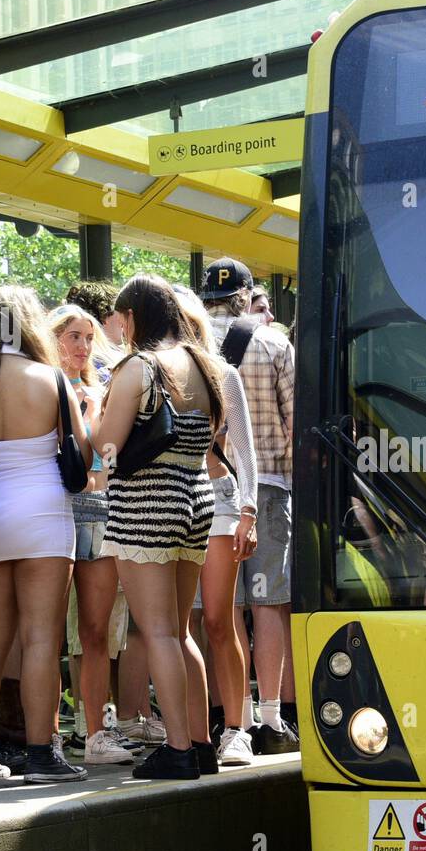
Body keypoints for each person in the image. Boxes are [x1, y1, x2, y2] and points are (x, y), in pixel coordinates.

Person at [92, 274, 225, 779]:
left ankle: (176, 750)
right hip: (197, 496)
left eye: (120, 321)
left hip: (147, 501)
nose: (118, 332)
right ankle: (201, 742)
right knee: (182, 629)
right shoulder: (202, 365)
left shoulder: (140, 368)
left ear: (133, 317)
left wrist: (89, 417)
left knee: (158, 631)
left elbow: (107, 448)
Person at [0, 286, 89, 784]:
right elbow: (83, 448)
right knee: (40, 639)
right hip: (42, 512)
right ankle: (40, 753)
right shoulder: (50, 378)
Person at [199, 258, 299, 754]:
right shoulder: (274, 342)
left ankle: (225, 717)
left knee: (221, 610)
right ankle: (272, 719)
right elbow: (295, 418)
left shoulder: (192, 347)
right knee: (268, 601)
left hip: (209, 486)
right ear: (247, 293)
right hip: (270, 486)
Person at [48, 303, 135, 766]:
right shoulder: (44, 385)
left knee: (96, 631)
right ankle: (50, 736)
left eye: (86, 337)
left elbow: (105, 452)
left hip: (100, 506)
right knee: (48, 633)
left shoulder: (99, 388)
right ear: (53, 339)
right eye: (72, 336)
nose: (82, 346)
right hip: (58, 509)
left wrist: (95, 410)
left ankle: (96, 731)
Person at [178, 290, 260, 767]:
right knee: (179, 625)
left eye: (185, 324)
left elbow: (246, 452)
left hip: (220, 500)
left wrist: (250, 512)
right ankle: (192, 735)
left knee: (217, 619)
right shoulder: (151, 373)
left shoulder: (223, 375)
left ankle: (238, 728)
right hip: (170, 504)